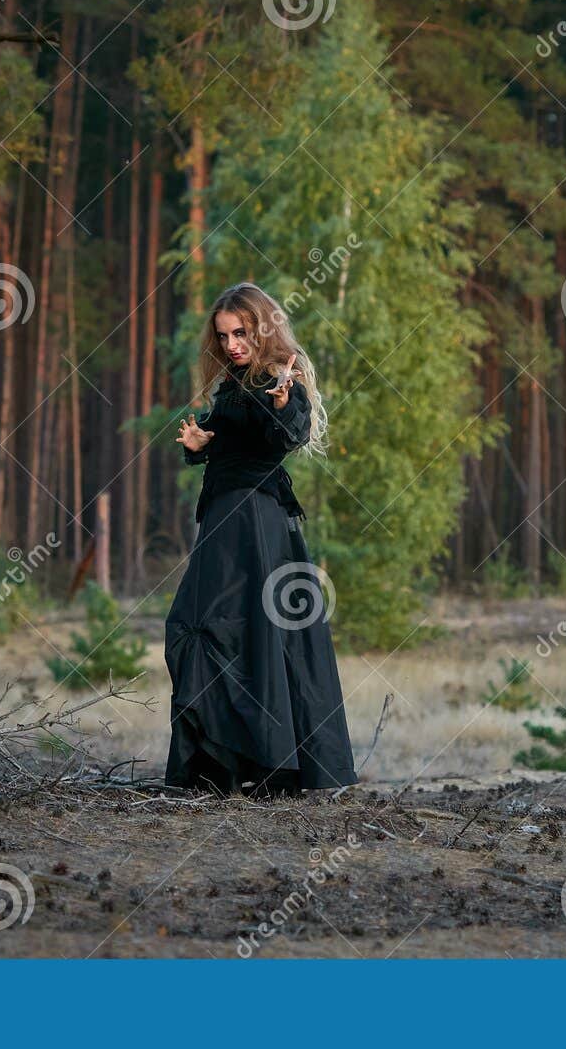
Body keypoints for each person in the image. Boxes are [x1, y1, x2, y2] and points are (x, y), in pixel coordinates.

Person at [164, 282, 357, 798]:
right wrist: (201, 443)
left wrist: (282, 406)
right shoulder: (235, 382)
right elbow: (234, 436)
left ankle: (256, 764)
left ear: (262, 328)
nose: (231, 343)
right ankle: (230, 766)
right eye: (224, 335)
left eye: (241, 332)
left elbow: (285, 434)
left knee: (211, 627)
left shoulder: (276, 379)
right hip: (233, 518)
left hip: (251, 521)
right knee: (230, 631)